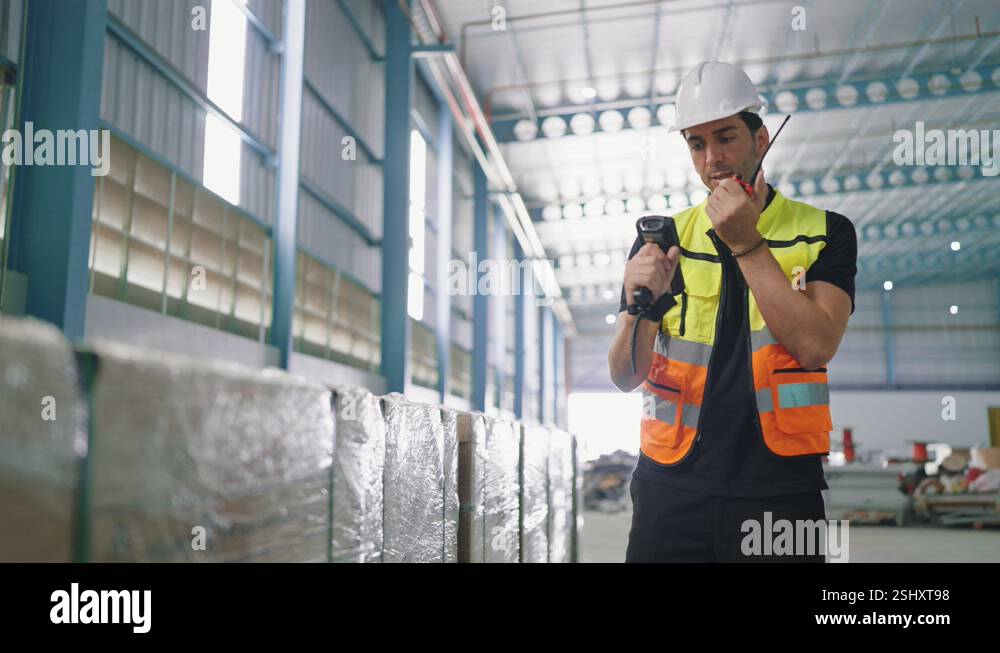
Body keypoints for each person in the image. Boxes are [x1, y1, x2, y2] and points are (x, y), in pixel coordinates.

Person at [607, 61, 857, 562]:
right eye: (697, 144)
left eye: (725, 138)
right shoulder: (665, 238)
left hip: (781, 493)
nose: (713, 159)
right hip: (670, 485)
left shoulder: (826, 231)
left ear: (761, 138)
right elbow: (625, 375)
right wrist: (640, 309)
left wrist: (747, 243)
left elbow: (815, 344)